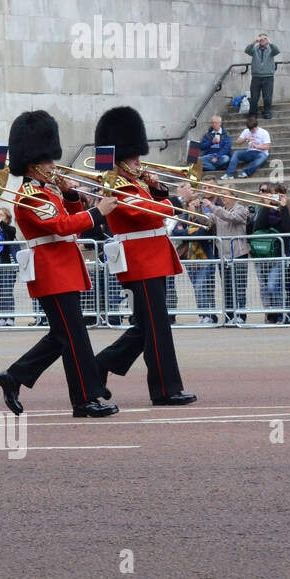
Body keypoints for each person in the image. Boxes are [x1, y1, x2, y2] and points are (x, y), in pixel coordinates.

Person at [0, 110, 120, 417]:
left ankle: (16, 377)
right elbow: (62, 226)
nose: (54, 165)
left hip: (63, 270)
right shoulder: (28, 196)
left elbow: (68, 215)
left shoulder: (45, 193)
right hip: (52, 272)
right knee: (72, 337)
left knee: (64, 336)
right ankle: (84, 399)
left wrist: (70, 192)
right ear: (34, 165)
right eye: (49, 161)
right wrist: (98, 211)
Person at [93, 107, 197, 406]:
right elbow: (143, 213)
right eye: (133, 157)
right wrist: (176, 200)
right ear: (120, 159)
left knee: (147, 326)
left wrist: (158, 188)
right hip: (139, 261)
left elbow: (152, 209)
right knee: (157, 326)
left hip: (153, 257)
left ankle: (101, 365)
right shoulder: (116, 184)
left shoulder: (137, 183)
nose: (139, 161)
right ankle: (165, 389)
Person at [252, 184, 290, 324]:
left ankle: (283, 314)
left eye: (275, 194)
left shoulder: (288, 210)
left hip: (281, 254)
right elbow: (257, 226)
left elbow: (289, 230)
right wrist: (266, 205)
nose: (273, 197)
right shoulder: (264, 209)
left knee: (274, 285)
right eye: (270, 194)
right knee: (266, 288)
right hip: (265, 254)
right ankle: (273, 316)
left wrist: (283, 207)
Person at [206, 184, 250, 326]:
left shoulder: (241, 209)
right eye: (221, 194)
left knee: (239, 287)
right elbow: (208, 219)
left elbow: (231, 217)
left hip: (238, 254)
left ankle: (240, 316)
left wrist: (212, 207)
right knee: (227, 288)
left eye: (225, 194)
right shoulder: (221, 210)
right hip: (223, 255)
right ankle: (229, 316)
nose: (222, 197)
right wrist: (196, 211)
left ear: (233, 195)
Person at [175, 188, 217, 323]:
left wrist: (187, 232)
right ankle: (204, 315)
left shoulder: (204, 217)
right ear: (188, 206)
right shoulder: (183, 217)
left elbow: (204, 234)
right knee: (197, 287)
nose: (197, 207)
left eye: (199, 204)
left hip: (204, 257)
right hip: (190, 258)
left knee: (202, 286)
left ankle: (208, 315)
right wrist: (191, 232)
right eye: (194, 204)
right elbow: (175, 232)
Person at [244, 33, 279, 120]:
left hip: (268, 77)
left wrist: (269, 42)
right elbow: (247, 50)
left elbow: (277, 51)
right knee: (254, 97)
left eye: (264, 39)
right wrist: (254, 42)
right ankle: (253, 113)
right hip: (256, 76)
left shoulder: (271, 48)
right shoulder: (255, 49)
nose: (262, 40)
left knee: (267, 97)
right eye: (261, 39)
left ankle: (267, 112)